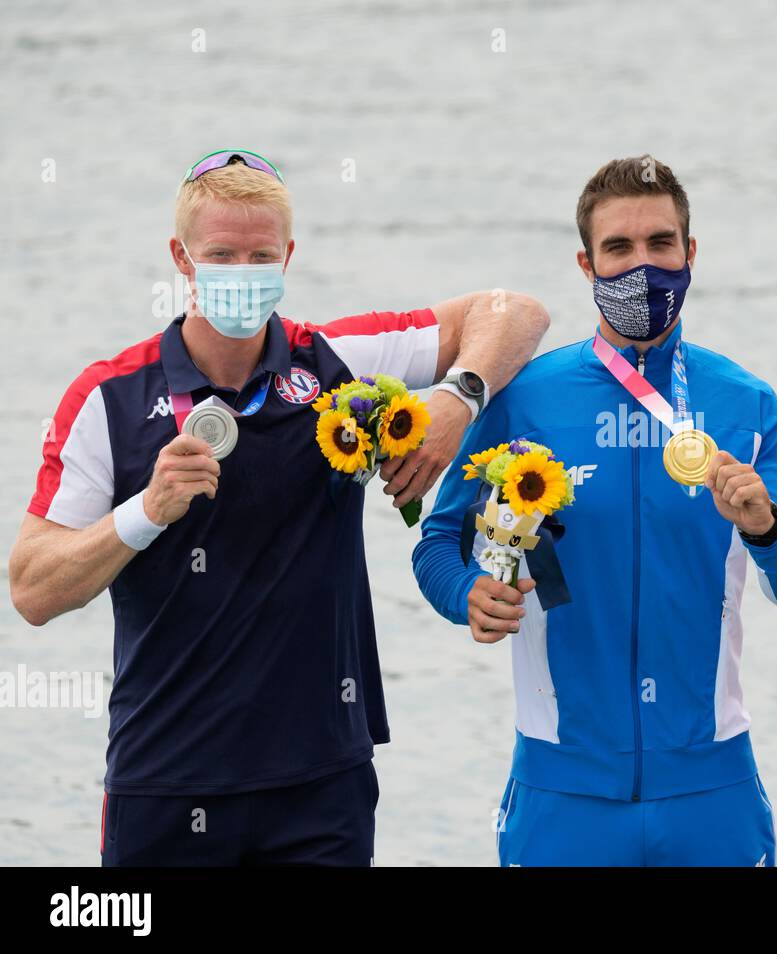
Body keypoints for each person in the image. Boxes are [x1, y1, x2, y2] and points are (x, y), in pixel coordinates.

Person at [7, 149, 550, 866]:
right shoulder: (109, 399)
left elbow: (514, 312)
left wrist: (457, 398)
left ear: (288, 255)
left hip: (321, 781)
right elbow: (33, 591)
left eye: (260, 255)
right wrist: (146, 512)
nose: (241, 272)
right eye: (220, 255)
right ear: (181, 257)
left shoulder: (334, 361)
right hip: (167, 780)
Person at [413, 155, 777, 866]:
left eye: (660, 244)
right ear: (586, 264)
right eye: (619, 249)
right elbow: (437, 543)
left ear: (690, 252)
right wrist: (468, 596)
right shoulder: (524, 398)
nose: (643, 266)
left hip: (710, 788)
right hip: (562, 790)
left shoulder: (747, 404)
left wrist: (765, 527)